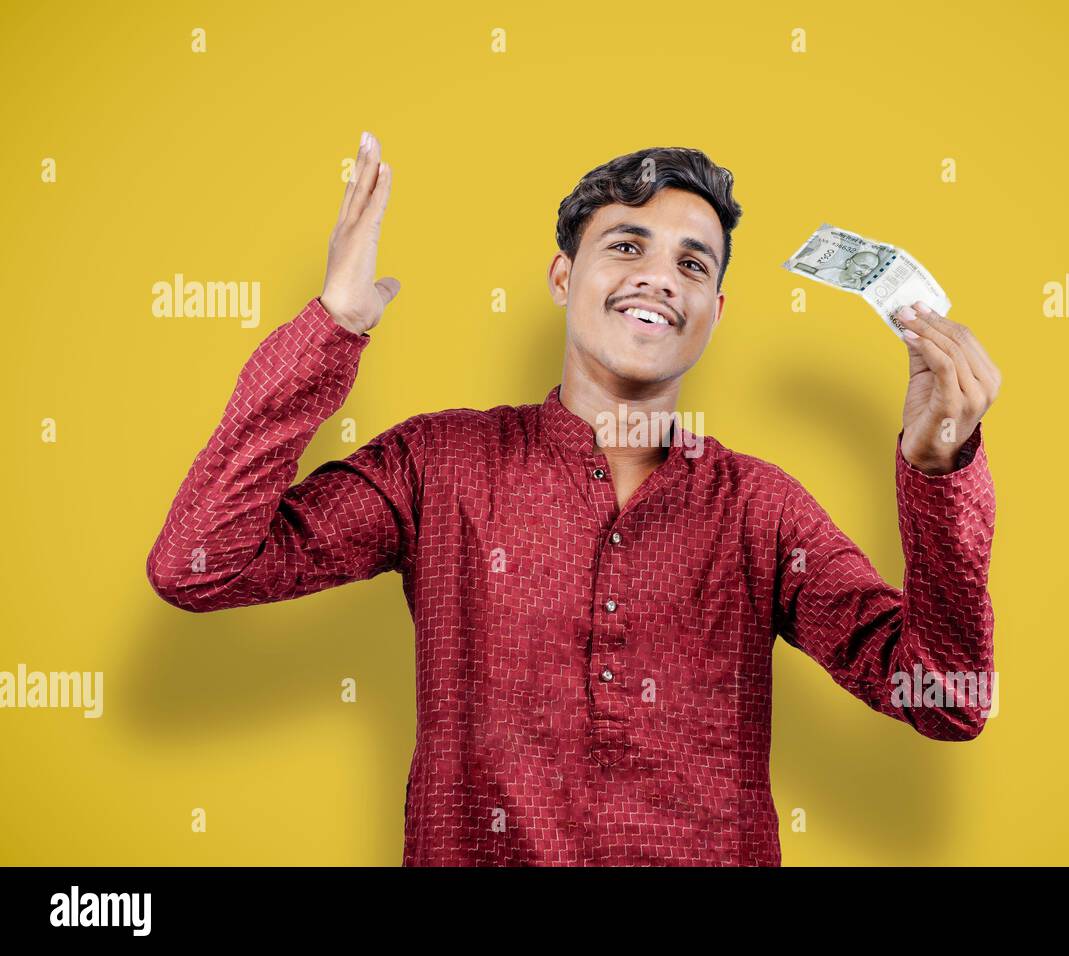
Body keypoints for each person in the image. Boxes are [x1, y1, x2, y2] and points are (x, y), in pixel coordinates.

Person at [146, 132, 1002, 866]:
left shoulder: (761, 510)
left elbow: (947, 698)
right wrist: (334, 326)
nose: (660, 277)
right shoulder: (439, 463)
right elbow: (200, 567)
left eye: (691, 264)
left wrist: (938, 470)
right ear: (564, 277)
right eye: (626, 247)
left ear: (715, 310)